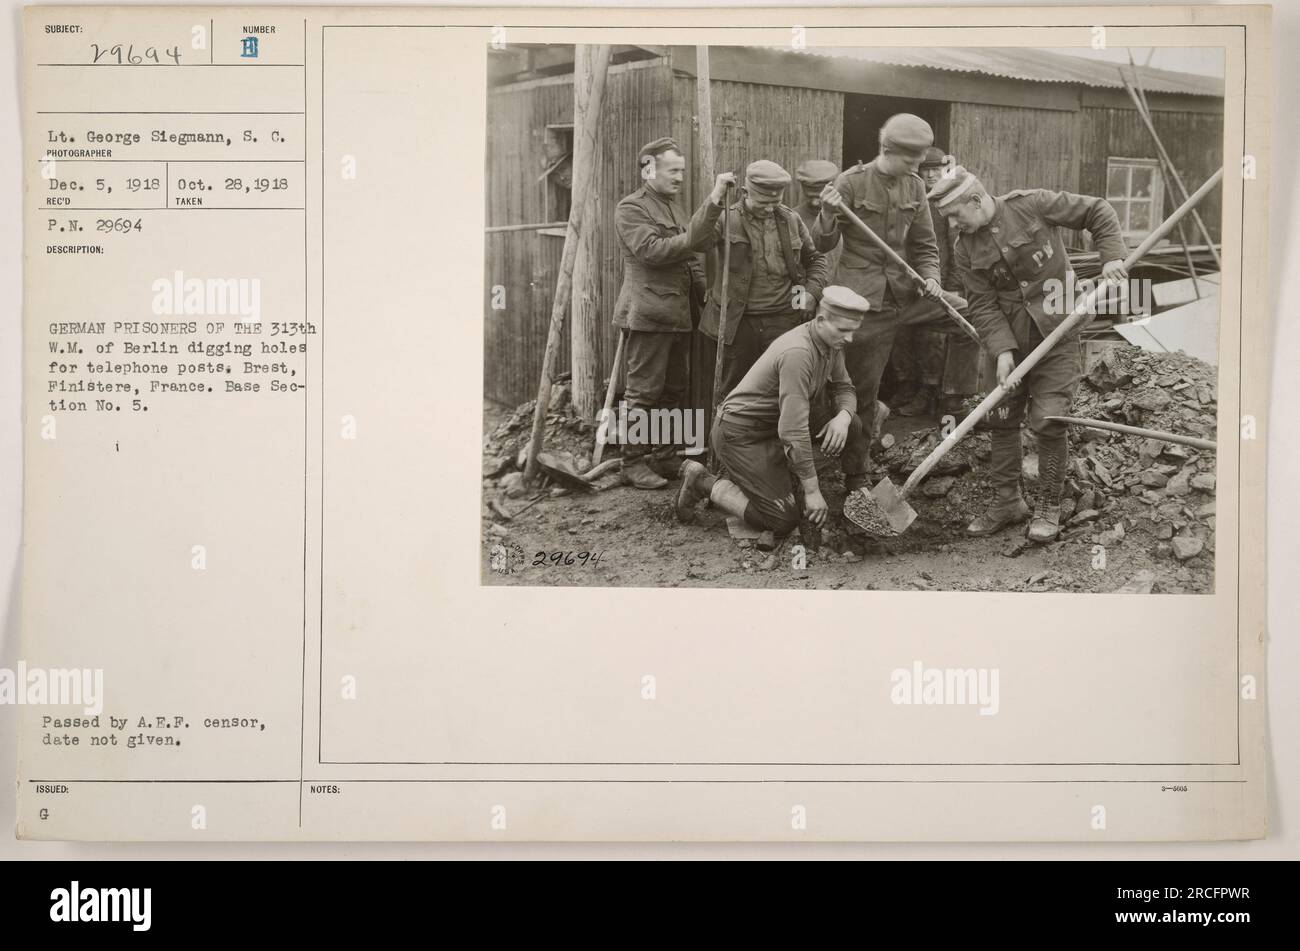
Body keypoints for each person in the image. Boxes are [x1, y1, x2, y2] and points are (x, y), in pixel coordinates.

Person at [934, 165, 1128, 542]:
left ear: (975, 200)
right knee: (1001, 417)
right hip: (1009, 338)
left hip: (1058, 330)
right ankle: (1008, 503)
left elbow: (1098, 211)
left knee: (1049, 419)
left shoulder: (1033, 205)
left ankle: (1048, 506)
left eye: (957, 215)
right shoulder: (964, 248)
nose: (955, 225)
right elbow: (982, 303)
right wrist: (1002, 351)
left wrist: (1112, 258)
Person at [676, 287, 872, 536]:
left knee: (852, 424)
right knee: (783, 520)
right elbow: (793, 430)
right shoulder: (798, 353)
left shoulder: (830, 342)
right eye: (844, 331)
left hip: (772, 428)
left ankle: (777, 477)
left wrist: (843, 418)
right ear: (821, 320)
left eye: (853, 331)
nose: (850, 338)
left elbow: (845, 387)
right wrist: (812, 491)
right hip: (740, 436)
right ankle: (703, 482)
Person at [813, 114, 950, 446]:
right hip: (863, 303)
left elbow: (925, 246)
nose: (917, 165)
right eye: (910, 159)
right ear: (887, 150)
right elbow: (821, 244)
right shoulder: (850, 183)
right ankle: (856, 471)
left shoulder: (915, 186)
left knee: (967, 313)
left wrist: (932, 277)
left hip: (905, 295)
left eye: (920, 159)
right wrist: (828, 213)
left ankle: (958, 402)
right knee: (860, 387)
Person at [612, 137, 735, 488]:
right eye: (672, 170)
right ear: (649, 168)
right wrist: (708, 211)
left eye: (682, 170)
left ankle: (664, 455)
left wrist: (707, 298)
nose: (679, 177)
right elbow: (653, 252)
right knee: (643, 392)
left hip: (680, 315)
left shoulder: (675, 209)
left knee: (674, 390)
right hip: (649, 314)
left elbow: (692, 262)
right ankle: (630, 461)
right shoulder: (631, 208)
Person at [699, 160, 831, 399]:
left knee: (781, 390)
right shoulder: (726, 218)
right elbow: (696, 241)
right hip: (738, 325)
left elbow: (815, 260)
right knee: (733, 391)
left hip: (783, 321)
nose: (770, 208)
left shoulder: (791, 220)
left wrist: (809, 295)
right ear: (745, 192)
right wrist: (715, 198)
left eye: (776, 201)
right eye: (763, 202)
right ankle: (728, 436)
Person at [889, 146, 981, 416]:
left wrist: (949, 283)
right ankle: (914, 389)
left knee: (936, 338)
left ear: (945, 170)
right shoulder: (917, 202)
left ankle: (945, 397)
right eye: (925, 170)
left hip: (943, 283)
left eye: (935, 170)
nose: (930, 176)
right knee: (909, 337)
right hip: (915, 283)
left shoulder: (949, 203)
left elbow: (954, 249)